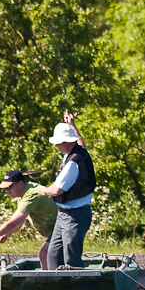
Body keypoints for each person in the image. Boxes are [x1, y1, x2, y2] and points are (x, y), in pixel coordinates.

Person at [42, 111, 96, 269]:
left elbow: (58, 190)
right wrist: (72, 124)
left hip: (75, 216)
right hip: (64, 215)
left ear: (65, 142)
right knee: (53, 255)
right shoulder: (78, 151)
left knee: (71, 261)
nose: (56, 146)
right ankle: (56, 288)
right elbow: (81, 143)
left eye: (58, 143)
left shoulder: (73, 163)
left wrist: (44, 191)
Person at [0, 170, 58, 269]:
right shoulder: (24, 193)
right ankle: (47, 280)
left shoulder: (31, 195)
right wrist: (6, 234)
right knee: (44, 254)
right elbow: (19, 223)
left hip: (63, 225)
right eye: (5, 188)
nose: (7, 190)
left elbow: (13, 223)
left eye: (9, 187)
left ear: (20, 184)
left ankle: (47, 281)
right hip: (57, 228)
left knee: (44, 253)